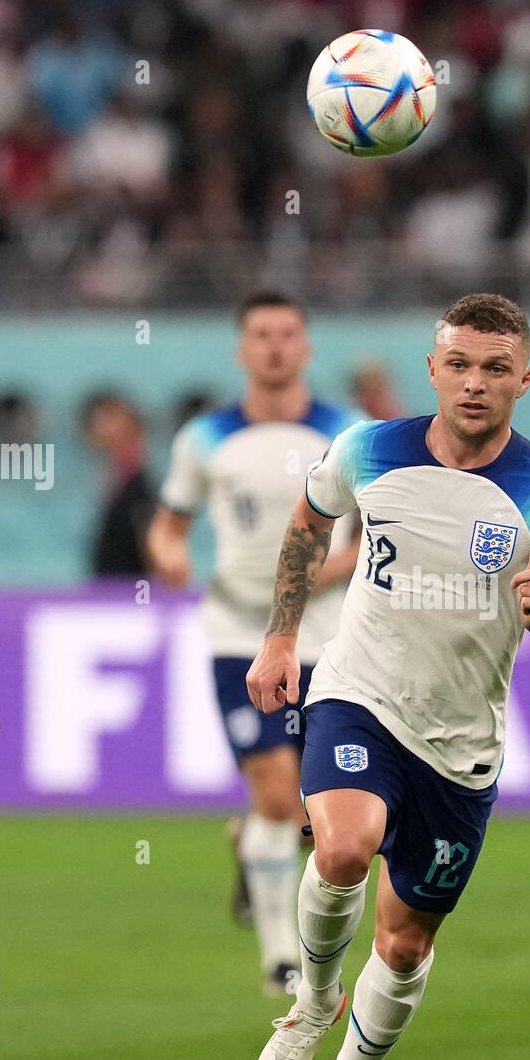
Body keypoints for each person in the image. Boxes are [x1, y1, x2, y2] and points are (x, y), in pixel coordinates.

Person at [245, 292, 530, 1060]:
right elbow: (309, 518)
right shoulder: (369, 449)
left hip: (461, 746)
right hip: (358, 693)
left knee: (405, 947)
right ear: (433, 367)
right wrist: (284, 634)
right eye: (459, 364)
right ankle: (311, 1000)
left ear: (524, 378)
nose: (475, 384)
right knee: (342, 845)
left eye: (495, 369)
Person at [148, 293, 359, 993]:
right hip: (239, 629)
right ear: (242, 350)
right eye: (260, 335)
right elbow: (169, 524)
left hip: (328, 635)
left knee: (315, 812)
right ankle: (282, 961)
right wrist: (169, 555)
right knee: (276, 797)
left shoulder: (348, 434)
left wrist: (319, 574)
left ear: (306, 348)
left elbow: (373, 533)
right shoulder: (203, 438)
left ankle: (252, 851)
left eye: (286, 335)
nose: (274, 347)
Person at [81, 391, 156, 579]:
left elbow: (154, 557)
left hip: (130, 598)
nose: (98, 426)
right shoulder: (116, 483)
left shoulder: (139, 492)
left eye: (107, 418)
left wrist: (148, 601)